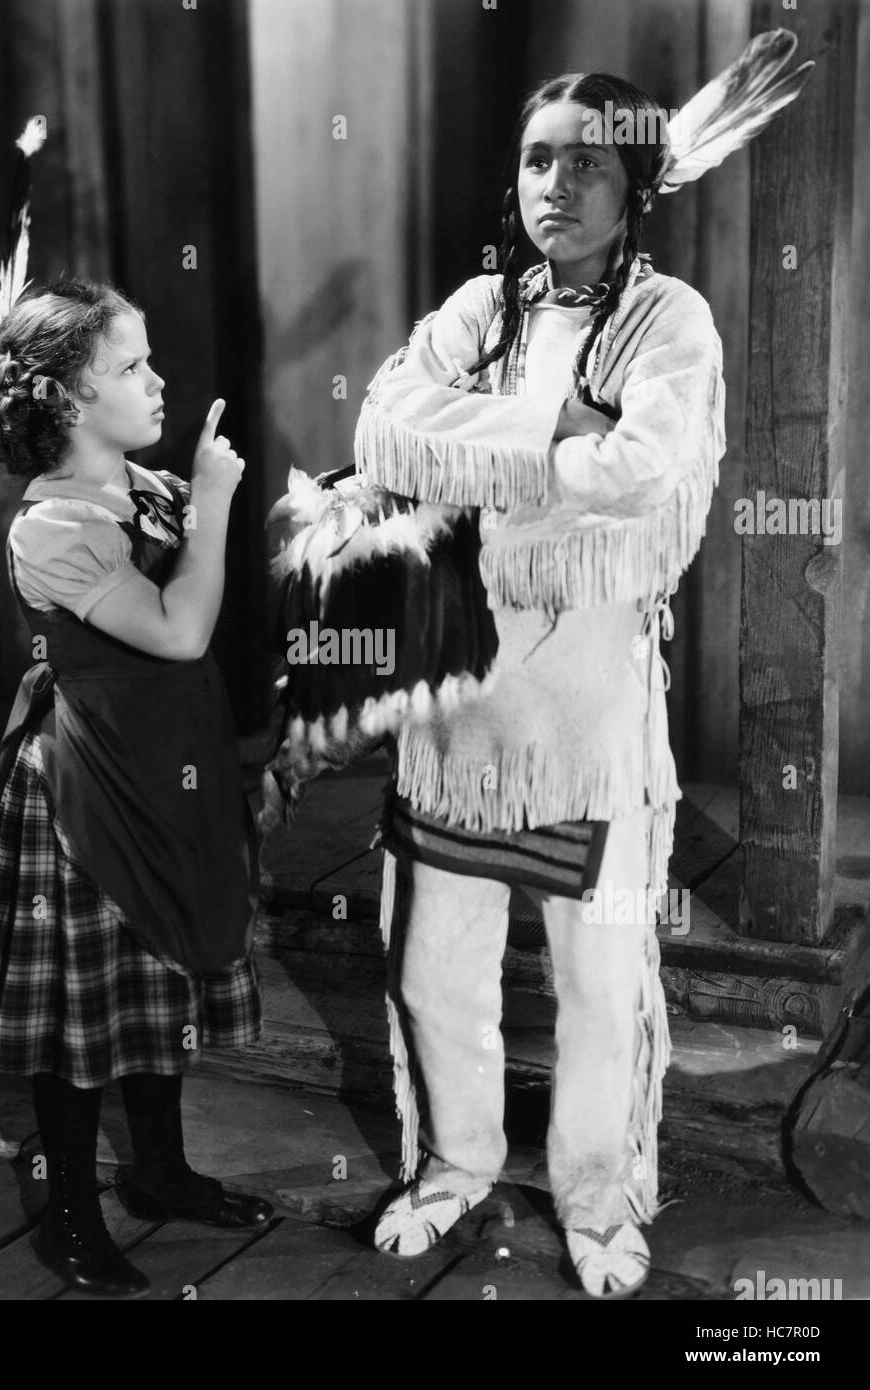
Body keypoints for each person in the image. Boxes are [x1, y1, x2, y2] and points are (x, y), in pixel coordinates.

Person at [352, 72, 728, 1297]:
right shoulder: (479, 305)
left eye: (586, 164)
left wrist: (494, 443)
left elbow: (644, 467)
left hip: (581, 708)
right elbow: (386, 426)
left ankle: (596, 1198)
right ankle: (454, 1163)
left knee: (596, 975)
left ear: (633, 188)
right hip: (460, 698)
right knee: (431, 965)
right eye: (534, 160)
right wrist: (553, 425)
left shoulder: (669, 321)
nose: (553, 185)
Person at [0, 279, 271, 1299]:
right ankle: (68, 1219)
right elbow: (181, 629)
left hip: (165, 767)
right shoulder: (51, 529)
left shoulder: (139, 485)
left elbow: (203, 596)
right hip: (85, 791)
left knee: (152, 983)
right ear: (66, 398)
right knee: (76, 1019)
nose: (157, 379)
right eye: (130, 367)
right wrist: (214, 502)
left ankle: (162, 1171)